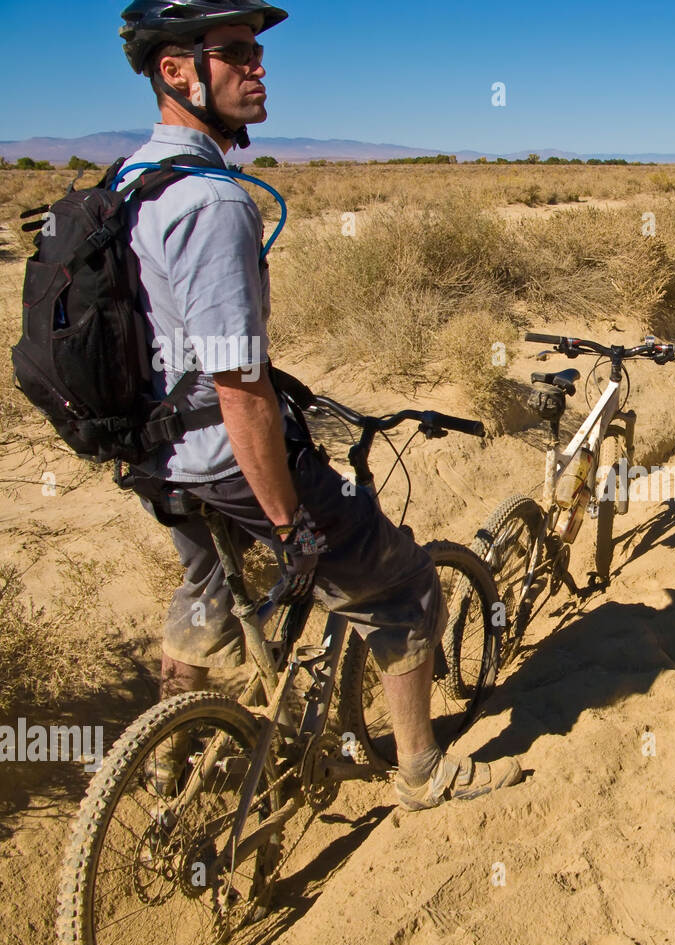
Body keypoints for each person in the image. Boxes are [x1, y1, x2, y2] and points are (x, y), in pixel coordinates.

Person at [117, 0, 520, 807]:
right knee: (401, 585)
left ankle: (167, 767)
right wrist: (288, 520)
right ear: (175, 70)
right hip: (229, 455)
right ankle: (420, 770)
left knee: (205, 591)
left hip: (158, 456)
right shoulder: (213, 200)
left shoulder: (129, 182)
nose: (258, 68)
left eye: (257, 52)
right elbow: (238, 384)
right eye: (236, 53)